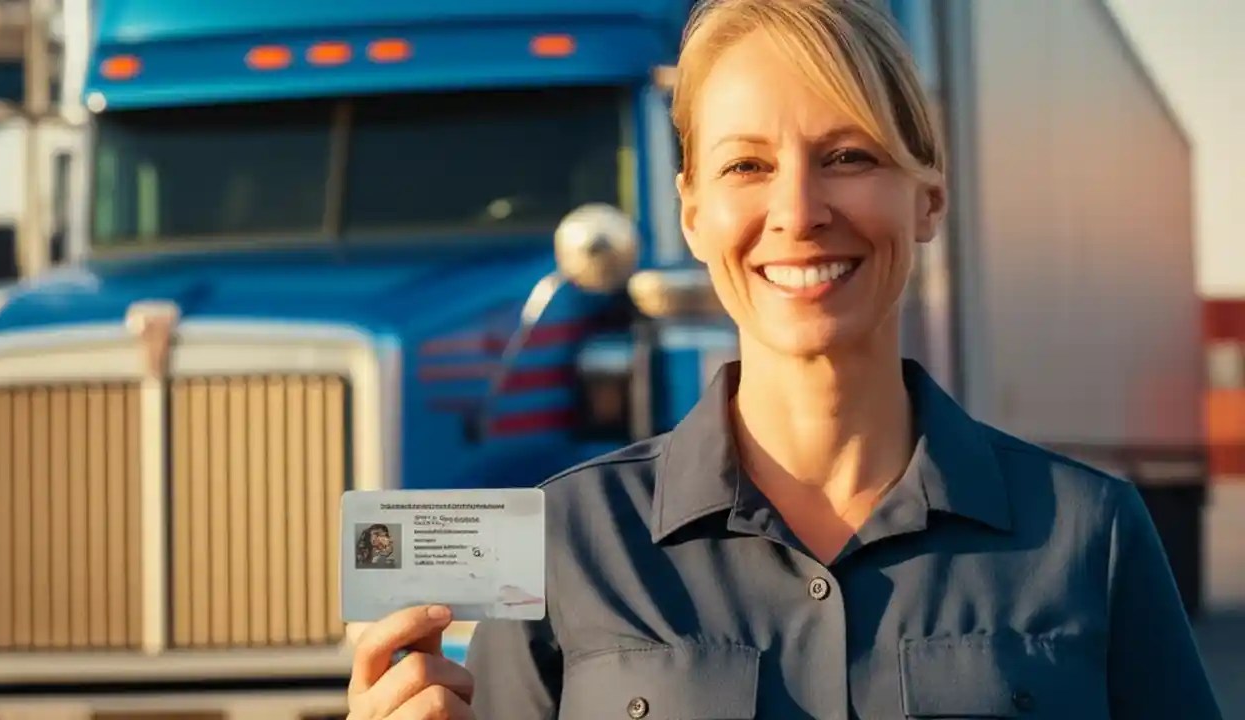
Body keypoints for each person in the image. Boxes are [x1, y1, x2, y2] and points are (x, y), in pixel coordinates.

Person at [344, 0, 1224, 717]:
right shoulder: (566, 544)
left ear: (928, 199)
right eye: (747, 166)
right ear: (691, 214)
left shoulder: (1091, 535)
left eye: (847, 156)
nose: (798, 211)